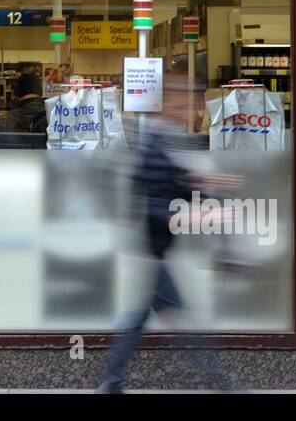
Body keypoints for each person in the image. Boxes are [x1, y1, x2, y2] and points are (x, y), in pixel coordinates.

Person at [97, 72, 239, 393]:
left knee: (138, 318)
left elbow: (180, 184)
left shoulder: (167, 140)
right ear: (166, 106)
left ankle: (111, 382)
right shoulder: (156, 144)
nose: (190, 110)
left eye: (190, 103)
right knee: (185, 323)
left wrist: (209, 187)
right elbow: (155, 206)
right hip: (151, 251)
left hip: (154, 251)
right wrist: (200, 216)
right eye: (183, 103)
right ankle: (225, 385)